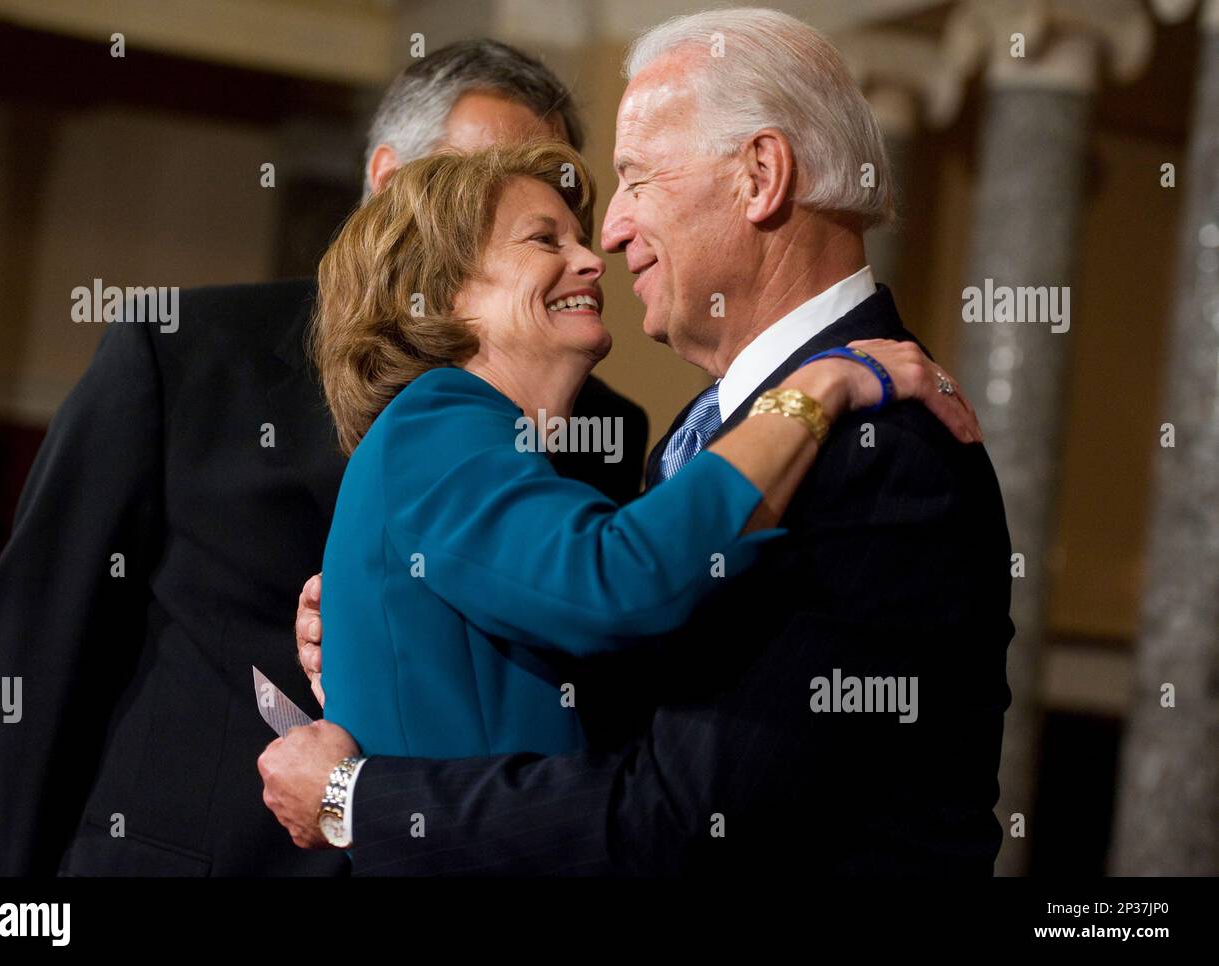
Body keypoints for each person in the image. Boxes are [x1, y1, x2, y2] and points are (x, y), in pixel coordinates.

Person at [264, 7, 1014, 876]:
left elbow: (684, 817)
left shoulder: (880, 447)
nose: (608, 239)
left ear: (759, 176)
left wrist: (356, 796)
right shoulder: (704, 442)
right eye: (551, 237)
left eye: (635, 179)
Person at [0, 39, 646, 877]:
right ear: (389, 183)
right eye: (473, 179)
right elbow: (47, 630)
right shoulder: (184, 351)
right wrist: (30, 889)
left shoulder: (602, 426)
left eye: (542, 190)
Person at [301, 139, 975, 788]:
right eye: (546, 241)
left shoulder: (483, 446)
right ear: (441, 289)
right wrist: (820, 387)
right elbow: (616, 582)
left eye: (579, 238)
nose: (593, 261)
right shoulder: (434, 418)